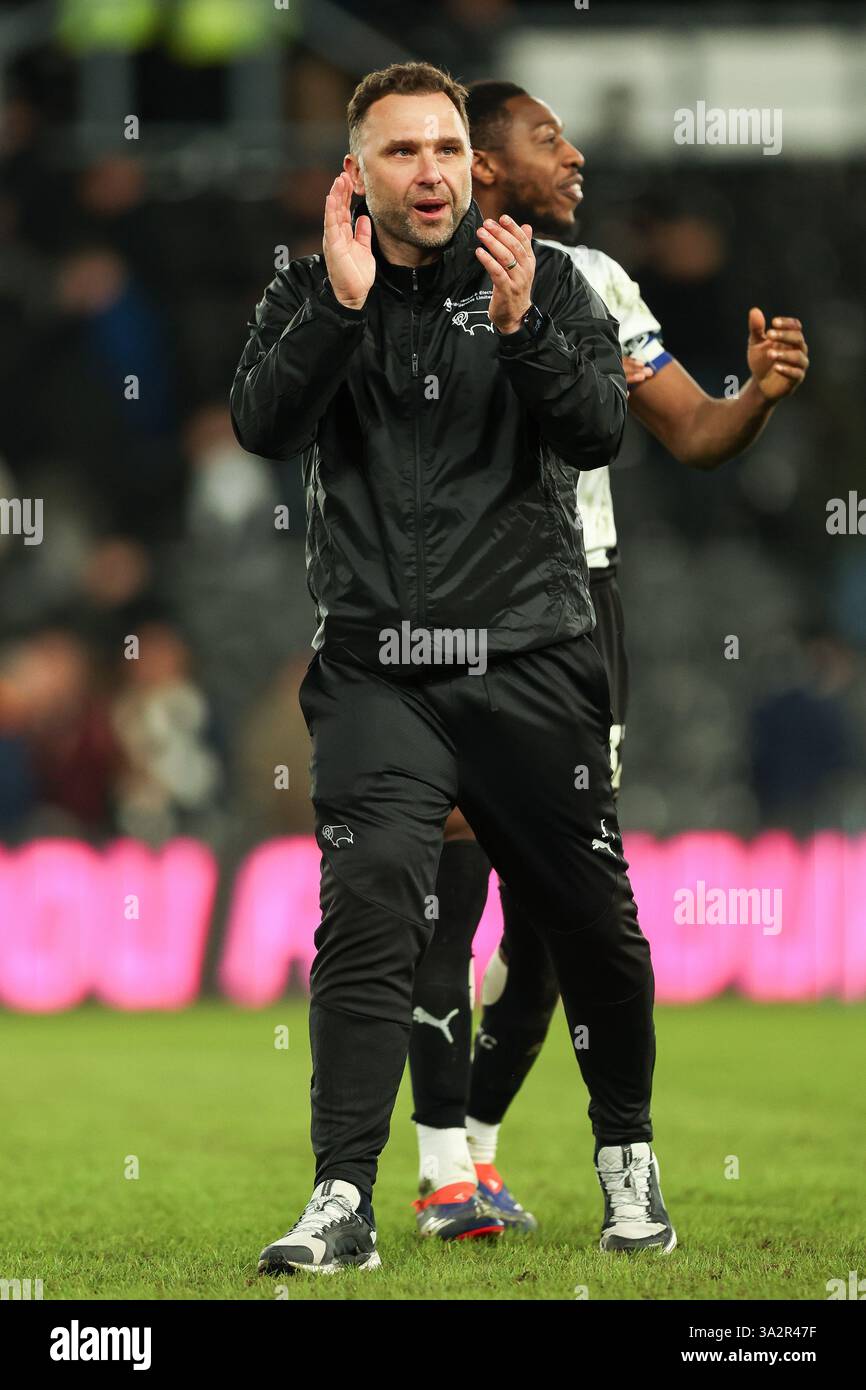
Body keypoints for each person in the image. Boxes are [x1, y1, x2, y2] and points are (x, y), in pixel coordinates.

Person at [231, 60, 674, 1273]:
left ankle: (624, 1157)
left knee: (589, 927)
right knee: (368, 901)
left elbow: (596, 430)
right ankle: (341, 1197)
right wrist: (335, 303)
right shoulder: (311, 284)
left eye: (444, 149)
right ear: (357, 175)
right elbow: (261, 425)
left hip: (529, 658)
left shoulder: (545, 276)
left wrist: (528, 332)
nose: (428, 171)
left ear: (469, 167)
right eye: (399, 153)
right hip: (380, 669)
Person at [407, 81, 809, 1237]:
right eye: (546, 138)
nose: (573, 153)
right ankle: (443, 1181)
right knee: (450, 896)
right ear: (483, 167)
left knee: (556, 926)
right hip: (452, 607)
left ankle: (479, 1151)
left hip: (579, 606)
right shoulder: (407, 285)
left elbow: (690, 430)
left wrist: (758, 399)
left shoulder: (595, 281)